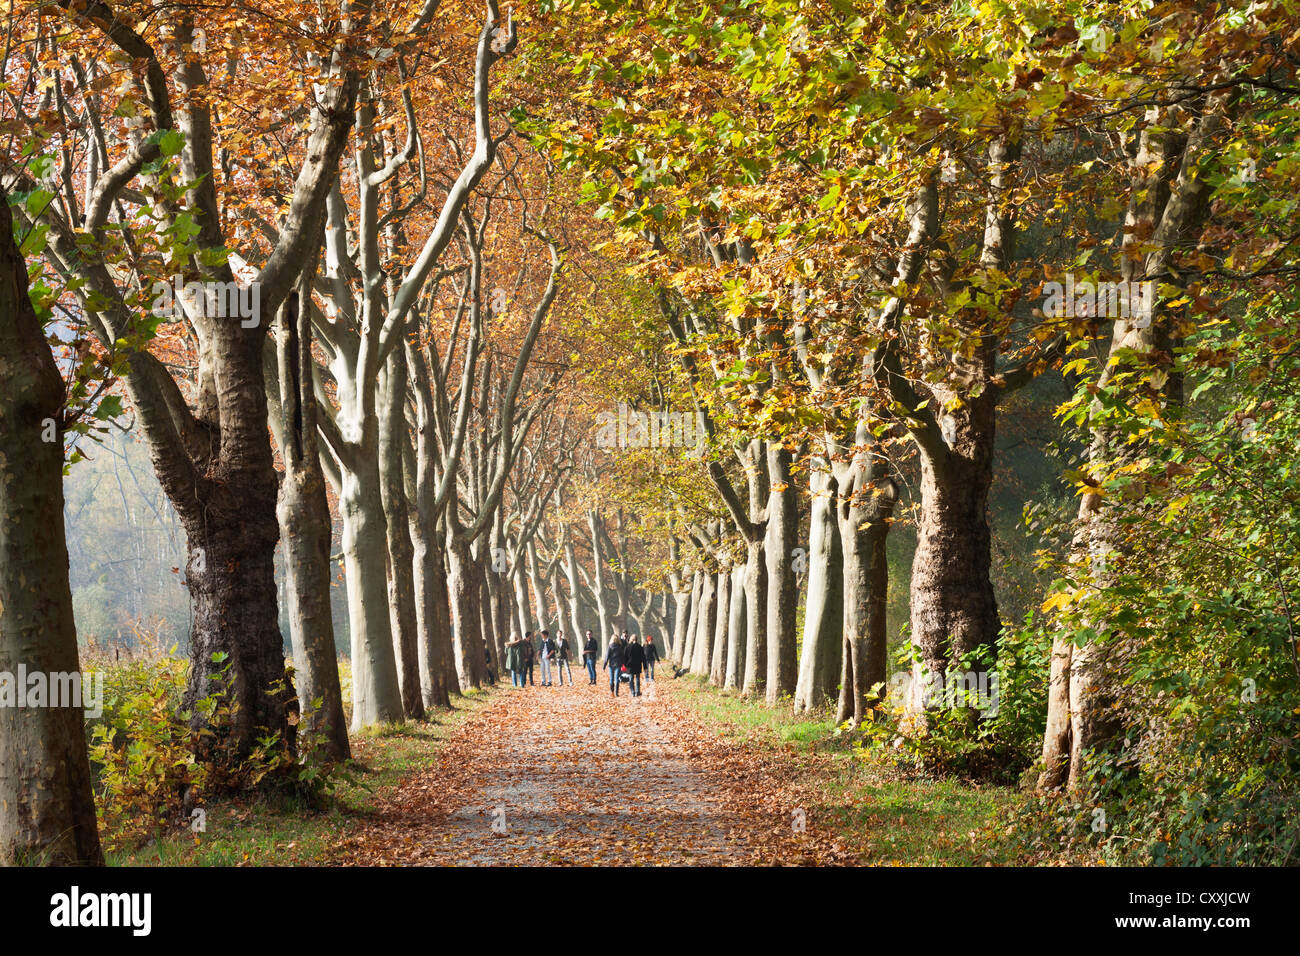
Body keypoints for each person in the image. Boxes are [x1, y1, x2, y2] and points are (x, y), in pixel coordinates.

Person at [603, 632, 626, 697]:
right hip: (618, 664)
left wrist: (604, 665)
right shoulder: (620, 647)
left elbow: (607, 656)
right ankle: (616, 692)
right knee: (617, 679)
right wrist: (624, 664)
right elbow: (622, 656)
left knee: (611, 679)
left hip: (611, 665)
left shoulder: (610, 646)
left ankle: (612, 692)